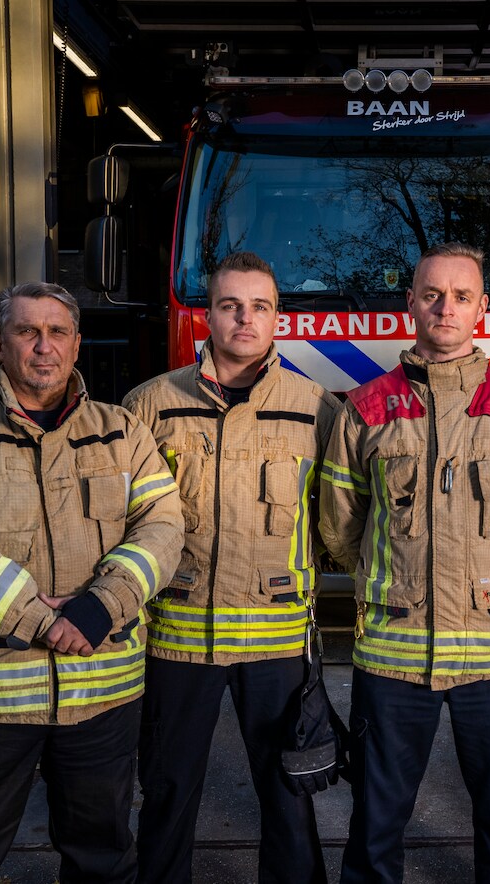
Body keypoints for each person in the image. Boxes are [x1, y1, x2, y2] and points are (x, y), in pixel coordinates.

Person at [0, 281, 183, 884]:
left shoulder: (122, 431)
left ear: (78, 345)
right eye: (27, 332)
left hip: (100, 694)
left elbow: (163, 527)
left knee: (103, 860)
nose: (43, 347)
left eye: (57, 332)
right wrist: (44, 619)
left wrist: (101, 608)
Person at [320, 242, 490, 884]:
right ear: (411, 303)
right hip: (395, 651)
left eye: (461, 296)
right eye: (432, 294)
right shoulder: (368, 407)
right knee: (374, 825)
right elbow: (341, 523)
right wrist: (392, 578)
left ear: (483, 308)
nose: (445, 307)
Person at [123, 251, 341, 884]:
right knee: (166, 793)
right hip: (177, 641)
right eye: (229, 305)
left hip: (276, 643)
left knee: (288, 795)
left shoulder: (315, 409)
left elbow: (339, 519)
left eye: (260, 307)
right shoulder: (150, 406)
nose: (245, 319)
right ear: (208, 315)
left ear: (278, 318)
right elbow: (121, 520)